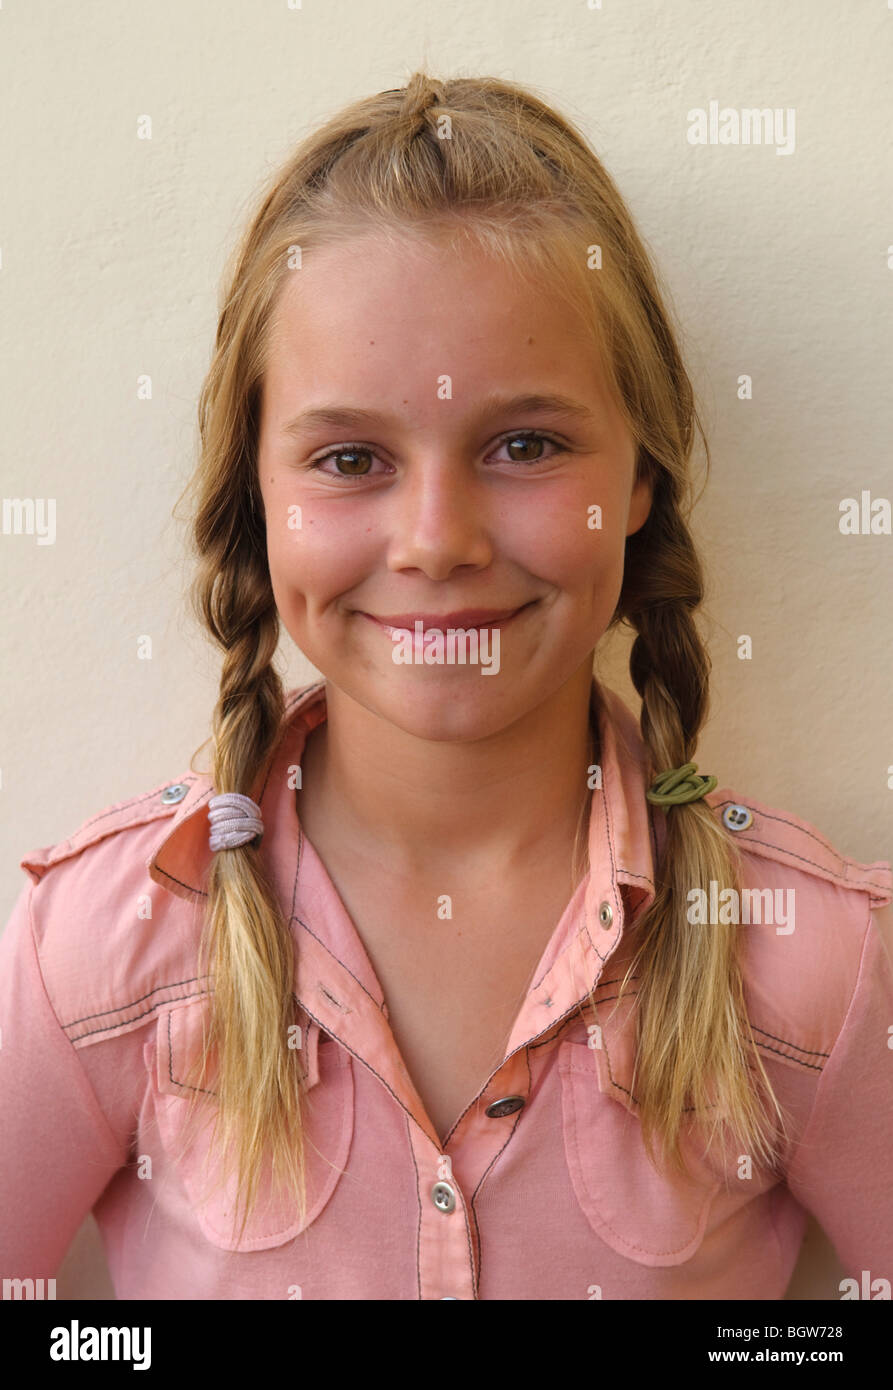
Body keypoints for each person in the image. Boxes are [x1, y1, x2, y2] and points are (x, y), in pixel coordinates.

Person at [1, 71, 891, 1302]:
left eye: (524, 445)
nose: (437, 539)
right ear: (254, 502)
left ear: (638, 478)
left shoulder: (806, 963)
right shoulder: (101, 952)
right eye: (351, 457)